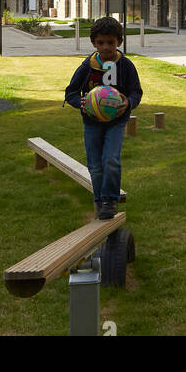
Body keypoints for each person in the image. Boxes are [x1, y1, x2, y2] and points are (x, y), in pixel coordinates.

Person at [64, 17, 142, 220]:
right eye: (101, 43)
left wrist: (129, 102)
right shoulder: (87, 66)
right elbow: (70, 92)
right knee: (95, 164)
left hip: (116, 121)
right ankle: (99, 200)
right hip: (91, 122)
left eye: (111, 42)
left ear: (119, 42)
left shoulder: (125, 65)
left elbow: (136, 92)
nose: (106, 47)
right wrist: (79, 101)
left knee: (110, 159)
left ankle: (110, 199)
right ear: (93, 43)